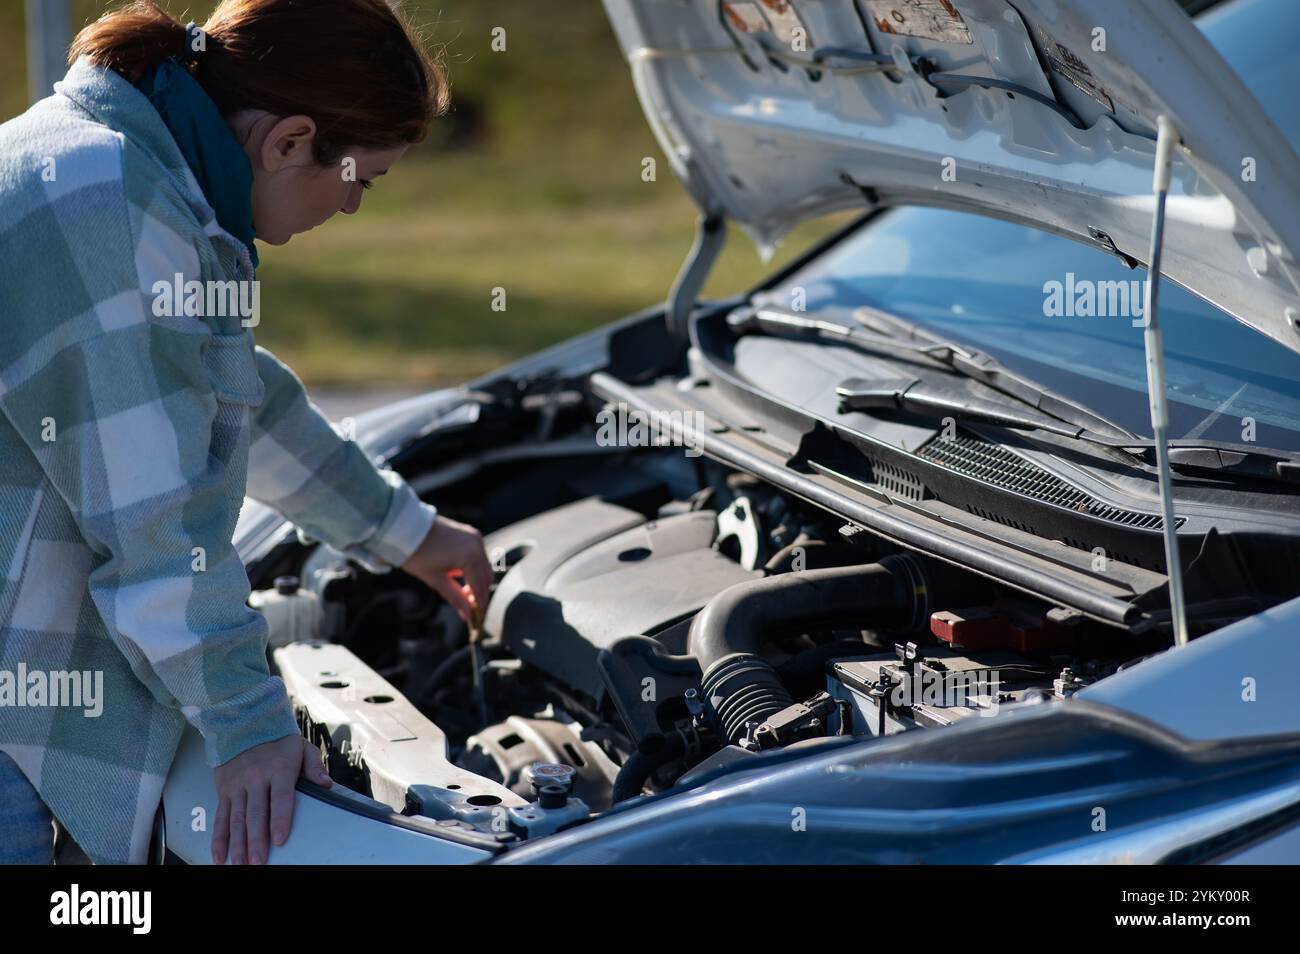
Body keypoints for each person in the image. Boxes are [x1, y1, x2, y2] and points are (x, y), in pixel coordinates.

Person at [0, 0, 494, 865]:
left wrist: (409, 533)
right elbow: (153, 527)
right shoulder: (110, 211)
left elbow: (233, 400)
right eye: (361, 182)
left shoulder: (130, 171)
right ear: (290, 141)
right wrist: (248, 726)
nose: (350, 211)